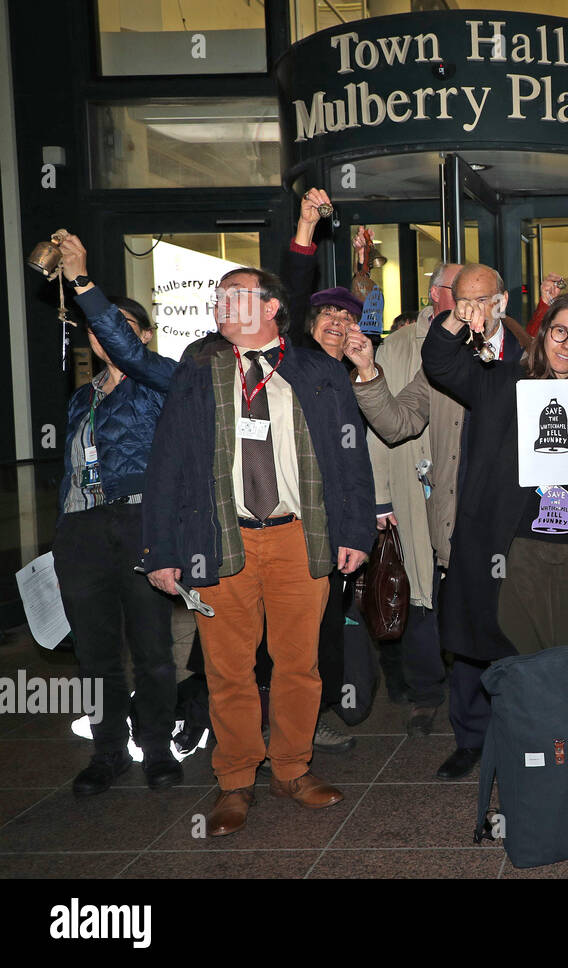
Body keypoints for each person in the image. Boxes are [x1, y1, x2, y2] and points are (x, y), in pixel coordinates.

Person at [143, 266, 374, 837]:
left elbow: (350, 459)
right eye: (218, 296)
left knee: (300, 664)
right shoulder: (200, 369)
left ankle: (293, 769)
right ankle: (235, 781)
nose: (221, 303)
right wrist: (161, 551)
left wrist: (355, 534)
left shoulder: (317, 369)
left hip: (300, 535)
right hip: (221, 536)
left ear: (271, 308)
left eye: (236, 296)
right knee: (227, 669)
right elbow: (166, 463)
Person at [421, 291, 568, 766]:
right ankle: (529, 782)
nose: (567, 345)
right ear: (544, 332)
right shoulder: (501, 383)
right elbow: (440, 362)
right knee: (521, 673)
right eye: (560, 331)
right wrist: (456, 318)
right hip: (512, 557)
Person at [347, 262, 526, 778]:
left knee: (518, 634)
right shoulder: (441, 363)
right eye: (461, 302)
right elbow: (396, 423)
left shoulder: (533, 358)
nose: (471, 311)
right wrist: (367, 372)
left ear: (502, 302)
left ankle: (522, 734)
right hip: (458, 520)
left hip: (517, 524)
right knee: (466, 639)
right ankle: (471, 739)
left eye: (481, 300)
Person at [51, 234, 182, 796]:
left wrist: (82, 280)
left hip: (137, 523)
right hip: (82, 531)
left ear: (144, 337)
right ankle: (108, 753)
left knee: (152, 647)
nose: (104, 337)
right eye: (98, 329)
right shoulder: (82, 398)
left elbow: (125, 349)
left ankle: (155, 748)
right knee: (95, 652)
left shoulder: (161, 383)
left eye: (123, 327)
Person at [352, 263, 463, 733]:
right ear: (439, 295)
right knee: (420, 592)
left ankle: (473, 689)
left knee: (465, 590)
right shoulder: (396, 349)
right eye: (464, 293)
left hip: (462, 491)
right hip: (410, 492)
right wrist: (381, 498)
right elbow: (383, 431)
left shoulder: (485, 346)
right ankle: (425, 691)